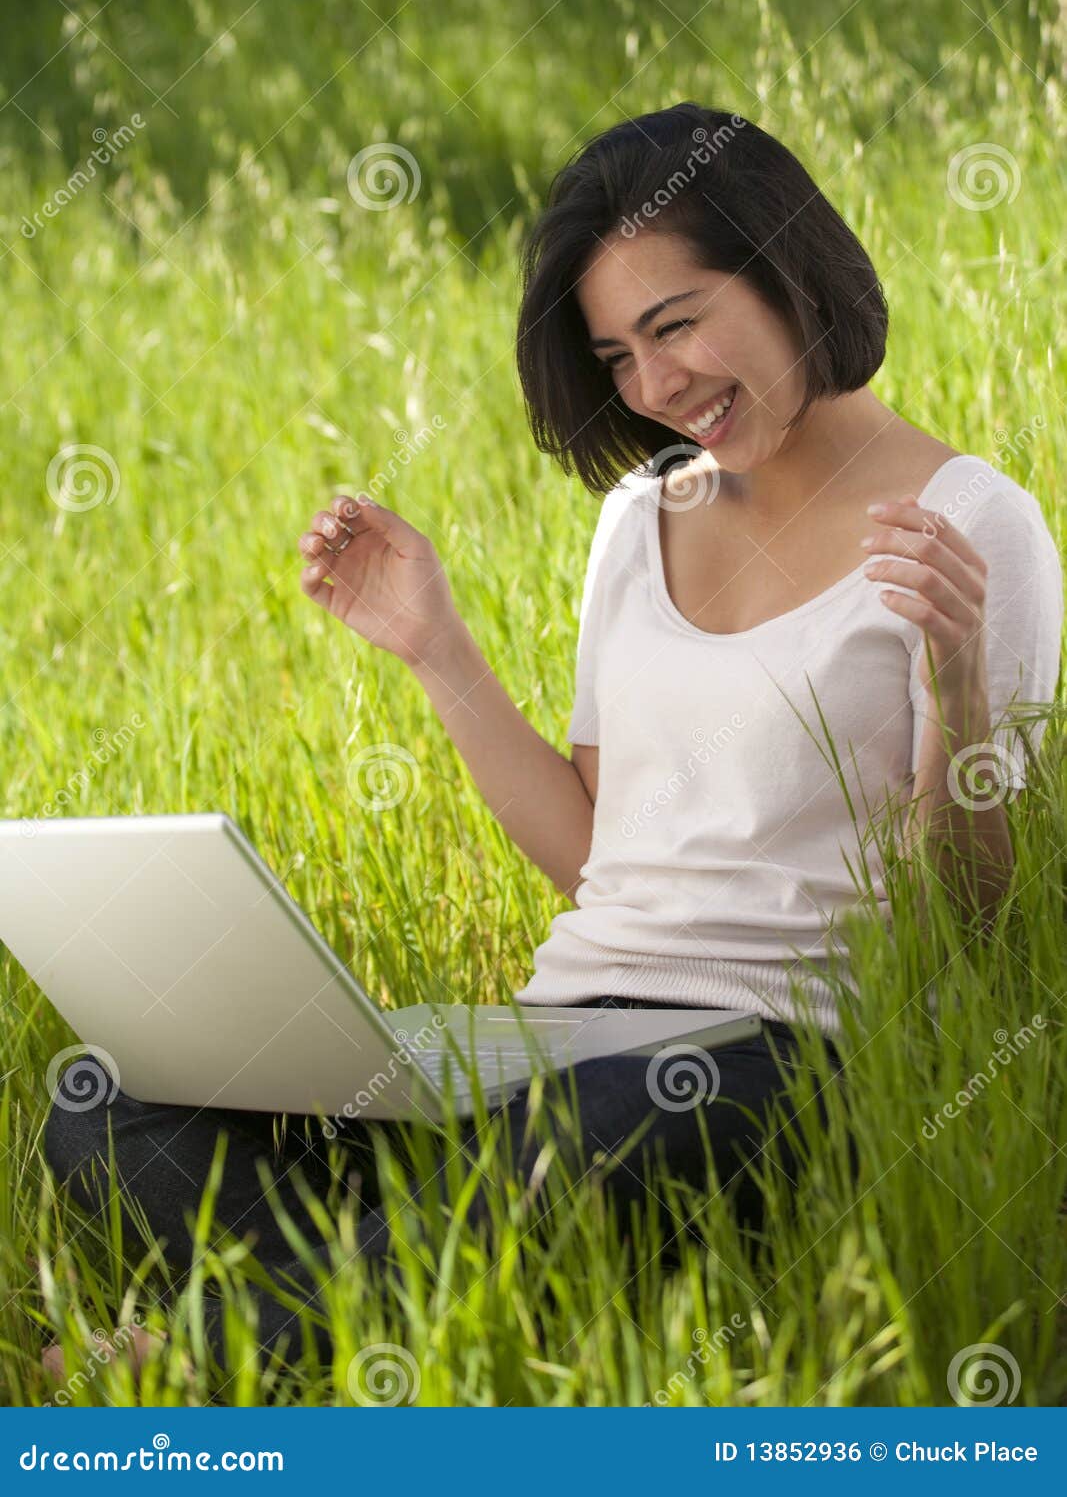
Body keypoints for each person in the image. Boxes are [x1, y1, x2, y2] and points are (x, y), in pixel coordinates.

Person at [42, 103, 1062, 1381]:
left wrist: (956, 685)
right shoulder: (640, 517)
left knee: (590, 1136)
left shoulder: (972, 522)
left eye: (675, 322)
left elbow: (963, 924)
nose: (654, 386)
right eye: (618, 354)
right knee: (112, 1097)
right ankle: (399, 1278)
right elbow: (597, 863)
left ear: (786, 262)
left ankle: (201, 1351)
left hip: (774, 1060)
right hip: (555, 1042)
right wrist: (435, 651)